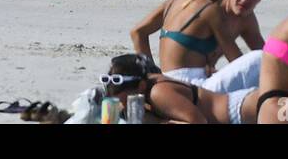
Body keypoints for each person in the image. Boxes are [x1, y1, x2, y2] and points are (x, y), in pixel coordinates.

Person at [130, 0, 241, 81]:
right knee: (255, 63)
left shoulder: (174, 1)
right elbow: (236, 60)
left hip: (166, 81)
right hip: (192, 84)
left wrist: (151, 73)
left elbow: (137, 32)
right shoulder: (210, 10)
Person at [100, 53, 260, 125]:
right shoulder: (148, 87)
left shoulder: (159, 93)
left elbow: (199, 122)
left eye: (124, 100)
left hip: (239, 111)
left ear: (141, 86)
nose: (123, 105)